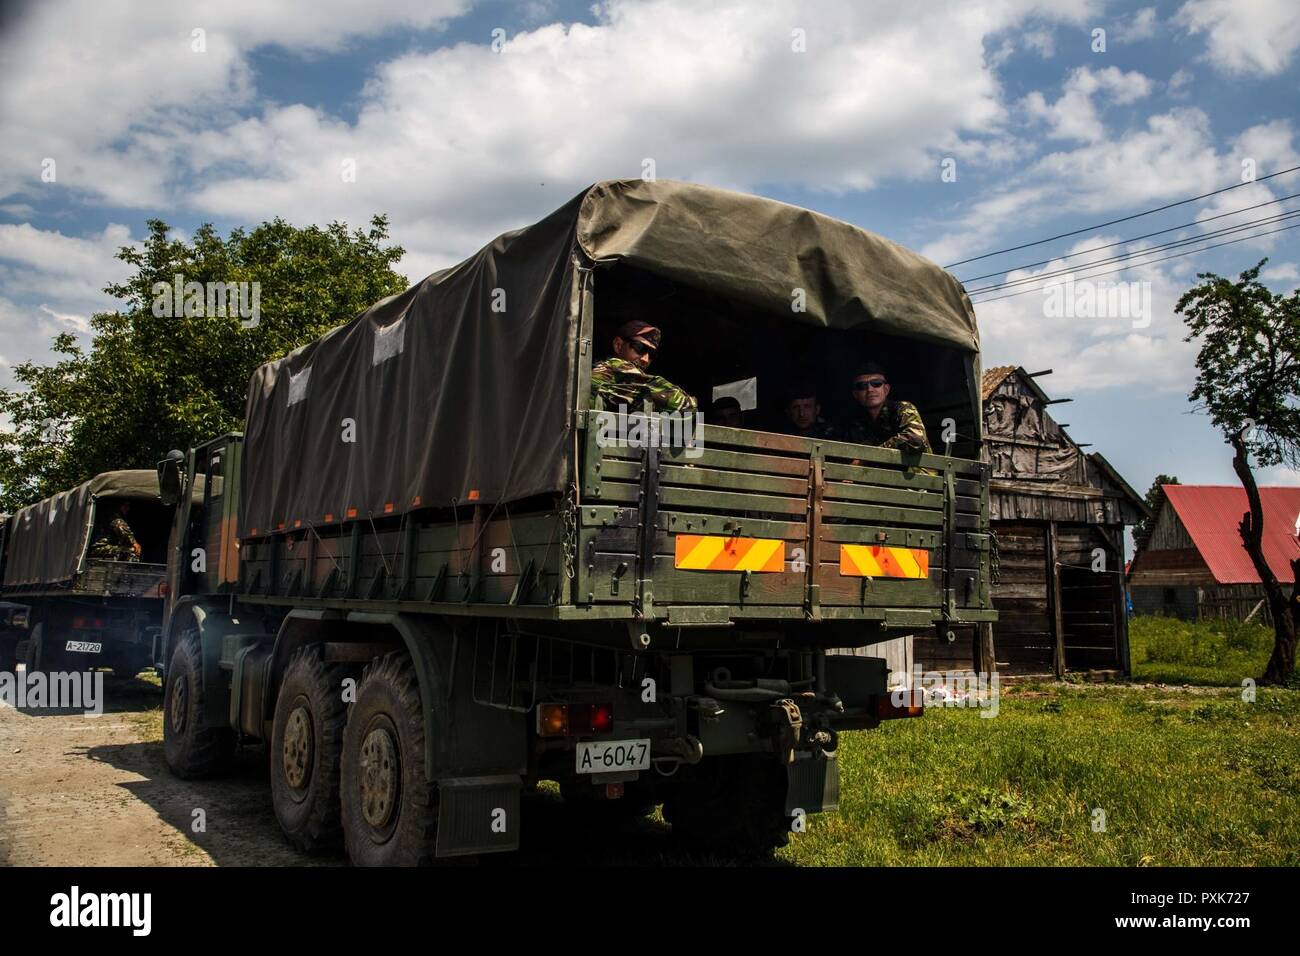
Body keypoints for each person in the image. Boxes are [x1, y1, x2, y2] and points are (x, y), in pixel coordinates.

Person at [589, 319, 696, 413]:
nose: (645, 359)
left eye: (651, 354)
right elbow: (688, 405)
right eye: (640, 348)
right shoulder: (616, 366)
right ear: (618, 345)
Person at [839, 363, 932, 453]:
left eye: (876, 383)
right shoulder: (857, 424)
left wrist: (870, 456)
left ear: (886, 389)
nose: (870, 389)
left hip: (914, 469)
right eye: (862, 386)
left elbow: (915, 439)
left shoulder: (902, 408)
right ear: (855, 394)